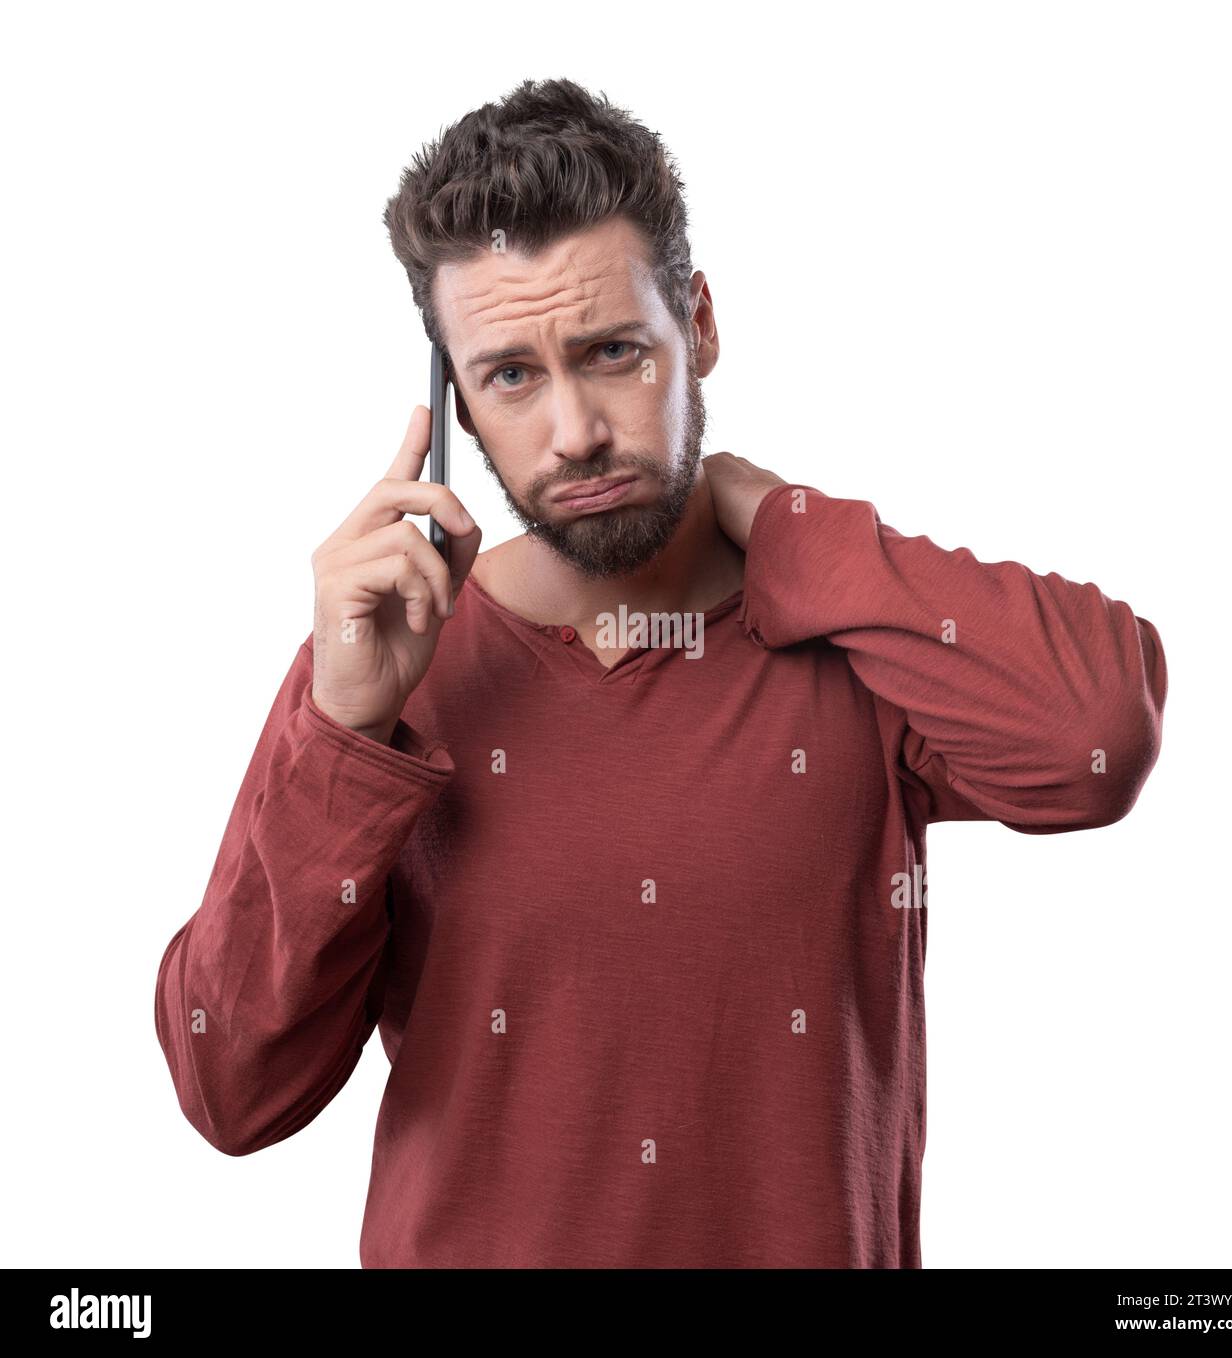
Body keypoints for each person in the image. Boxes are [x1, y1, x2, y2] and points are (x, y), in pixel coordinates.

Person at [154, 77, 1168, 1268]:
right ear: (453, 402)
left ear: (698, 324)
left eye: (614, 352)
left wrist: (787, 524)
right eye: (511, 376)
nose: (576, 430)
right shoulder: (382, 666)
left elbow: (1095, 738)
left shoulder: (848, 635)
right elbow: (231, 1089)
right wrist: (340, 731)